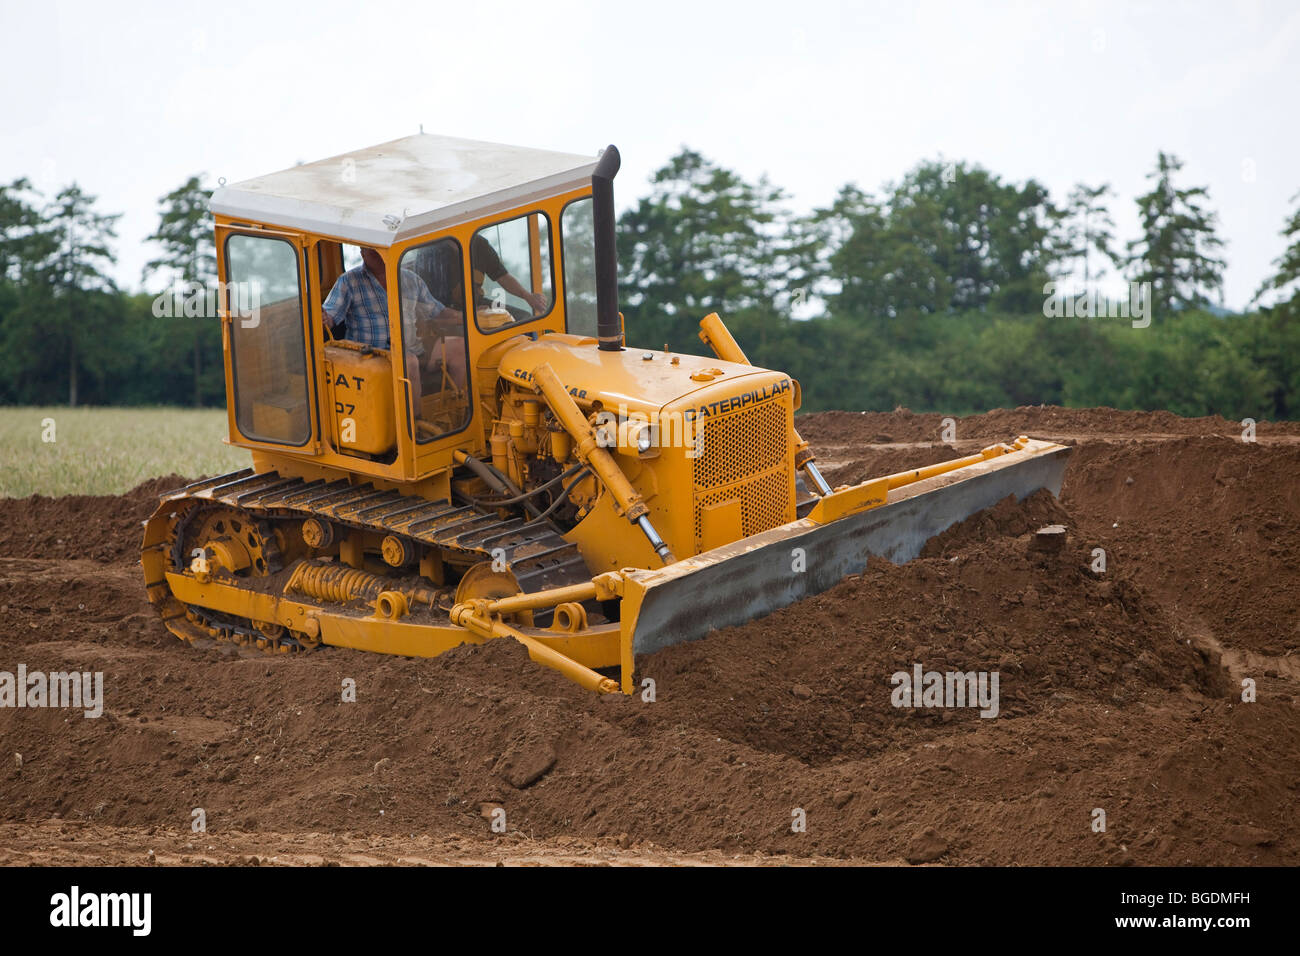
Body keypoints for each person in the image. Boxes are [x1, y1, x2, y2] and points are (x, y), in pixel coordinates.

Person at [322, 247, 465, 421]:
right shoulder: (348, 281)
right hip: (372, 356)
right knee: (409, 362)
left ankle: (459, 412)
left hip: (413, 347)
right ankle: (416, 426)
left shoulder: (411, 279)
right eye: (372, 251)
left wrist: (468, 316)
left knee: (459, 346)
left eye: (381, 250)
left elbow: (437, 312)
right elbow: (329, 316)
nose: (378, 254)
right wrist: (323, 317)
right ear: (362, 253)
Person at [413, 232, 547, 321]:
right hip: (447, 315)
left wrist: (527, 295)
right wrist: (469, 316)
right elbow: (428, 306)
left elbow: (503, 276)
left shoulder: (479, 244)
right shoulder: (430, 252)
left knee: (523, 318)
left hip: (479, 305)